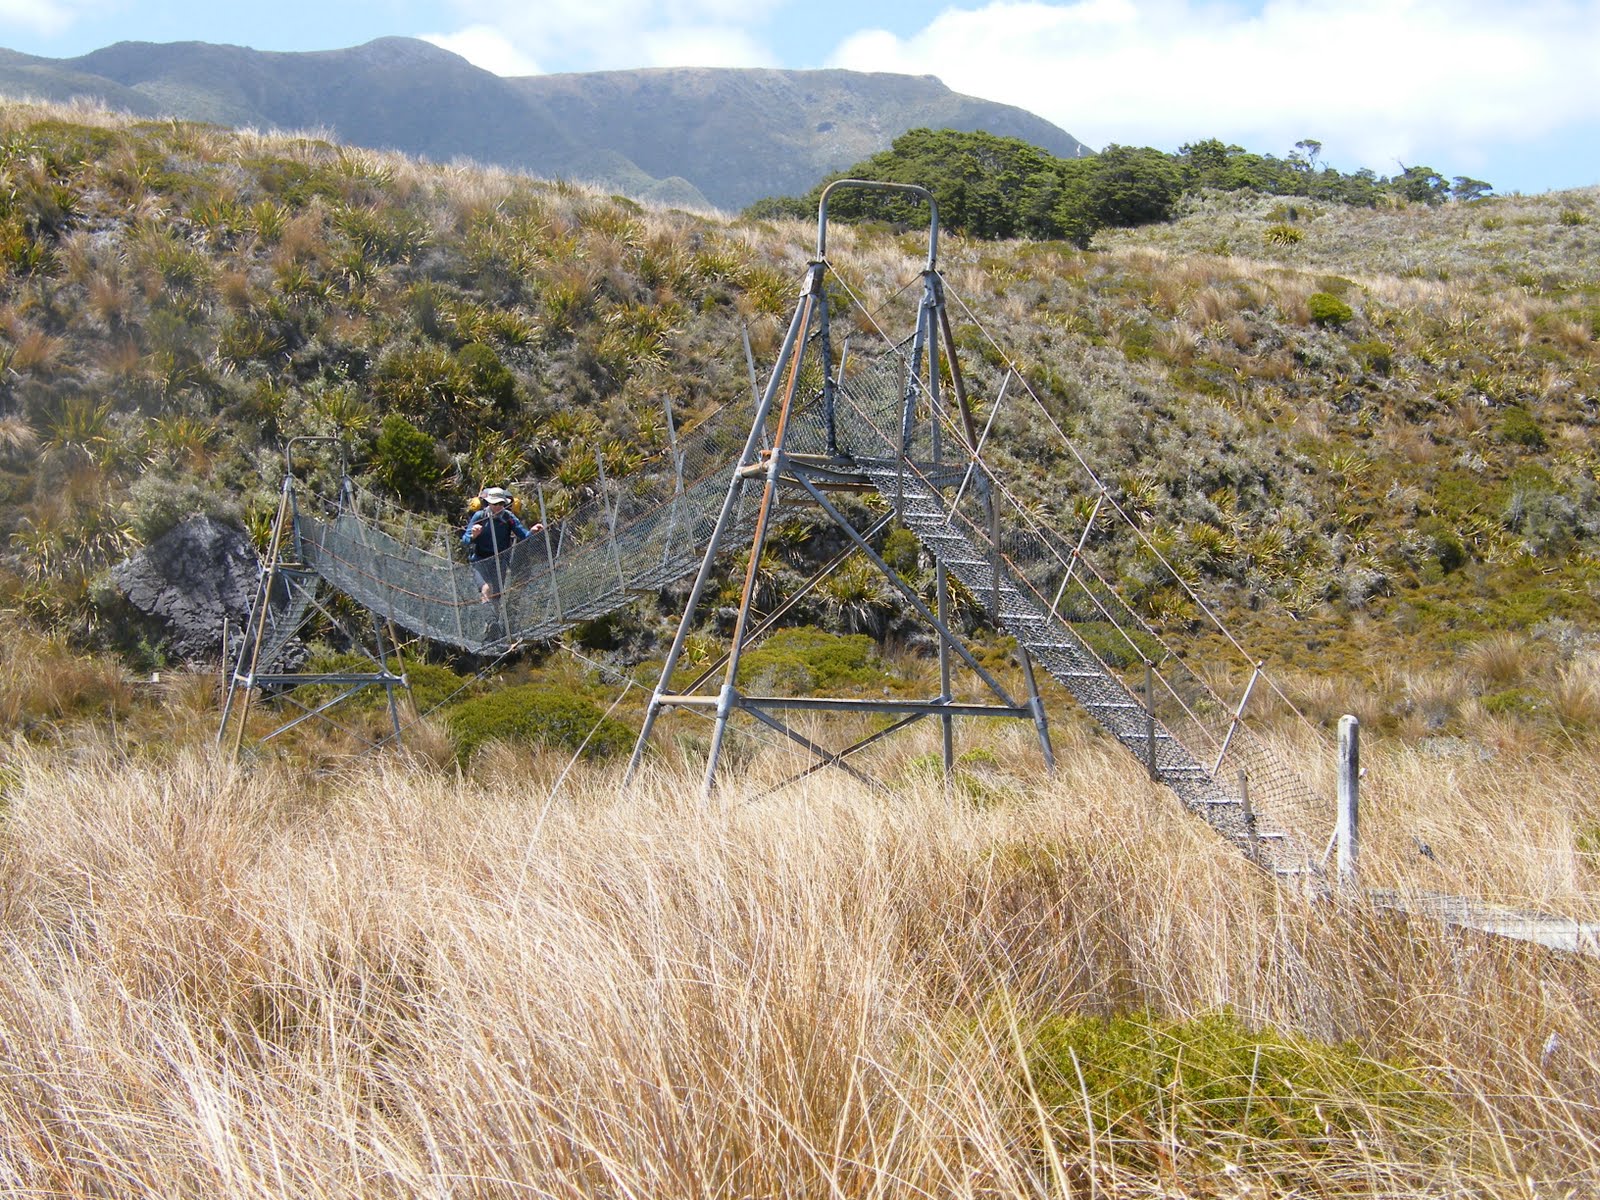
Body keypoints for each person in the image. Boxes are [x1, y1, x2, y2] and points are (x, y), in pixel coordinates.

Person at [462, 486, 541, 607]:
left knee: (496, 596)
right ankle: (490, 619)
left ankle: (492, 623)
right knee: (486, 588)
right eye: (495, 503)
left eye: (501, 503)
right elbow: (465, 540)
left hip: (499, 561)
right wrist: (473, 535)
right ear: (489, 503)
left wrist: (532, 532)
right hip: (480, 560)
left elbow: (523, 535)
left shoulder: (508, 517)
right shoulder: (480, 516)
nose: (498, 506)